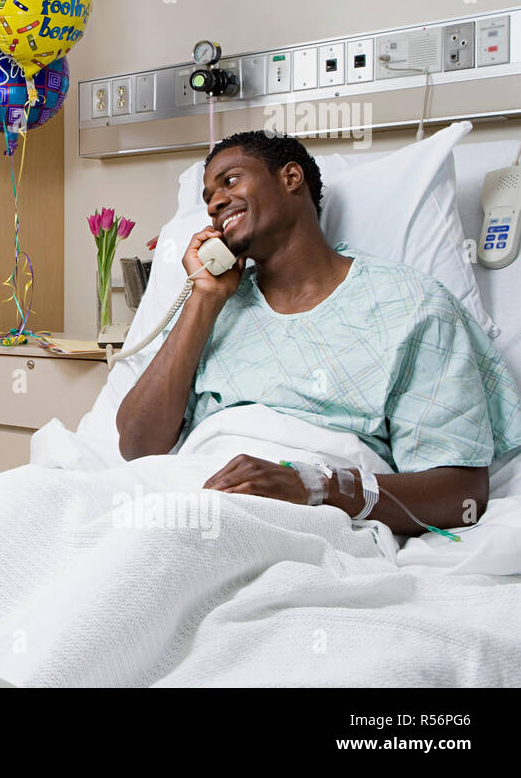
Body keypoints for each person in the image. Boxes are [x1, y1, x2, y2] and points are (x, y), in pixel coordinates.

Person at [114, 131, 521, 535]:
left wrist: (315, 486)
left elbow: (461, 495)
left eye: (230, 181)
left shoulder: (411, 304)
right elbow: (137, 447)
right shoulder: (212, 308)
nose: (216, 203)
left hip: (309, 519)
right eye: (207, 199)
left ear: (291, 178)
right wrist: (203, 299)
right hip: (186, 491)